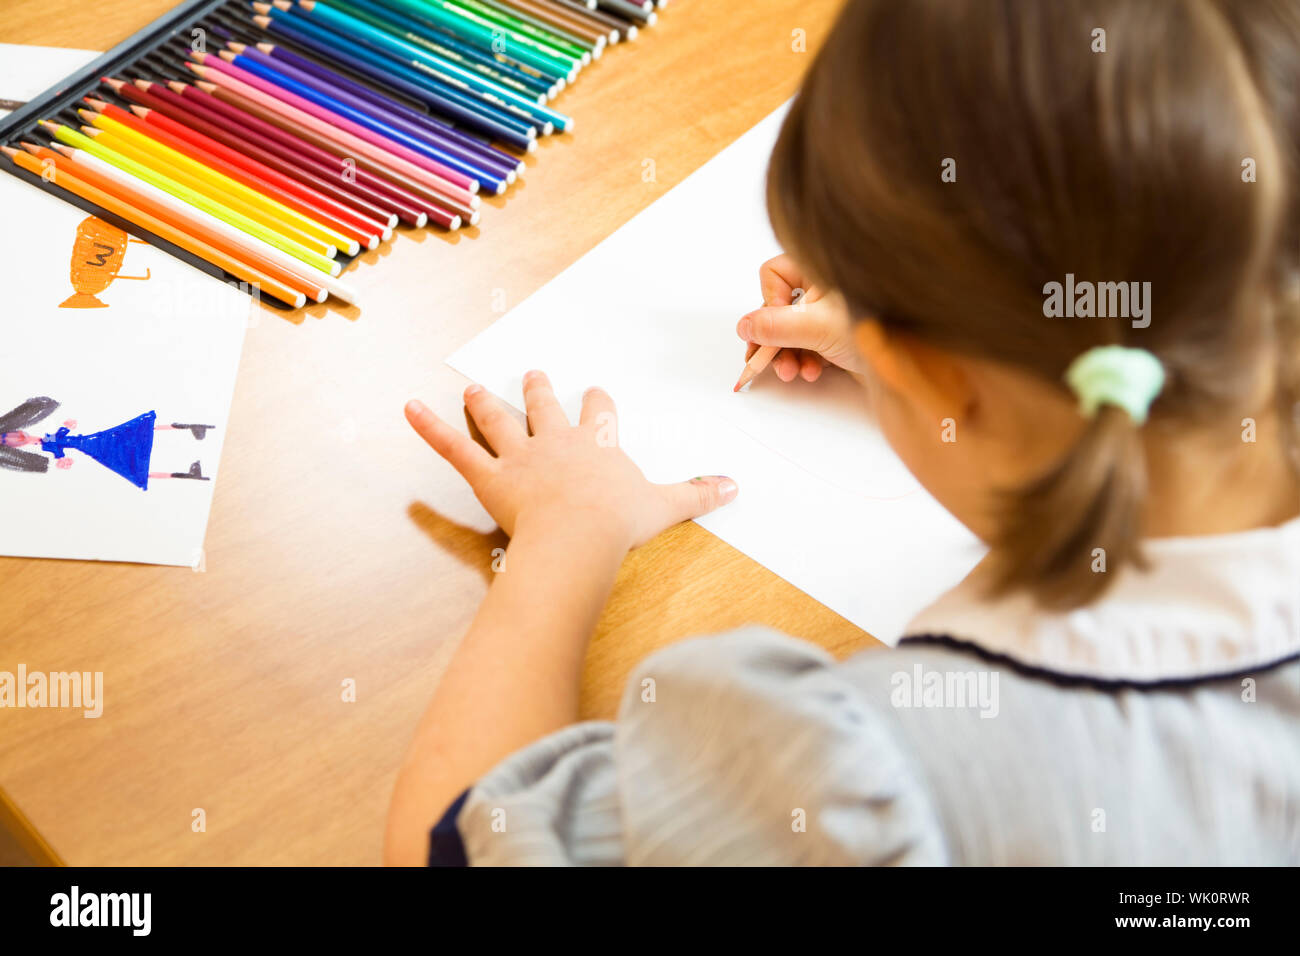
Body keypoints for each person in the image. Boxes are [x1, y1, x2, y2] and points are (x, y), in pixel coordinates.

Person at [386, 0, 1300, 865]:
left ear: (935, 370)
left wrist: (563, 535)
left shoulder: (868, 785)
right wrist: (986, 375)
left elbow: (460, 839)